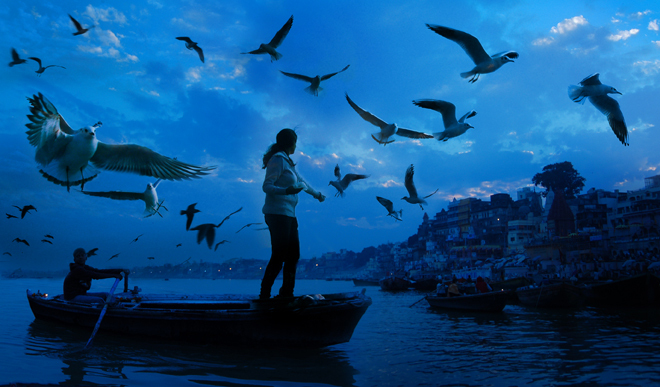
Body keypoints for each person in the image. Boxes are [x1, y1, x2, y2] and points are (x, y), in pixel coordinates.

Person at [259, 128, 325, 300]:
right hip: (276, 214)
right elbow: (267, 186)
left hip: (289, 215)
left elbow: (303, 183)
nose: (296, 145)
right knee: (279, 255)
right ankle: (264, 294)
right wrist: (286, 190)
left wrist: (317, 195)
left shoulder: (289, 163)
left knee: (293, 255)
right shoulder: (278, 160)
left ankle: (286, 294)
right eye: (295, 141)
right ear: (290, 142)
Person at [63, 247, 128, 303]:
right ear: (74, 259)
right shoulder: (77, 269)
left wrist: (119, 270)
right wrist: (114, 275)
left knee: (107, 295)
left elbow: (99, 271)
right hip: (72, 297)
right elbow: (95, 275)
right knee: (99, 300)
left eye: (82, 255)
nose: (80, 257)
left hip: (81, 294)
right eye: (78, 256)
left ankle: (117, 307)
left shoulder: (85, 267)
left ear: (86, 257)